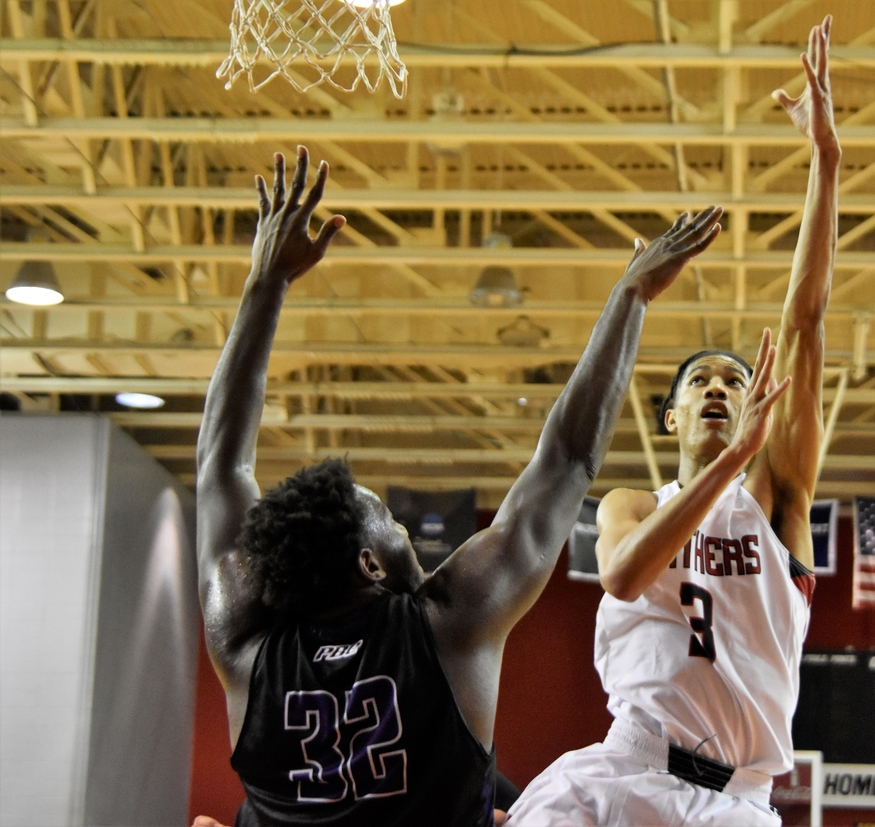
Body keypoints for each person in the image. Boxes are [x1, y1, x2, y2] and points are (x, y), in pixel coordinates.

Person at [195, 145, 724, 826]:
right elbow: (566, 461)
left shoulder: (242, 645)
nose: (408, 532)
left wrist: (263, 282)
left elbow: (219, 465)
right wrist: (631, 296)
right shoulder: (446, 625)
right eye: (390, 522)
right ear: (369, 562)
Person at [505, 16, 841, 827]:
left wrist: (826, 162)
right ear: (670, 416)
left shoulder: (781, 500)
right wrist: (726, 469)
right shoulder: (631, 503)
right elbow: (620, 574)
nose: (720, 387)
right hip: (628, 770)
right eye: (701, 381)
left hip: (736, 801)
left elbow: (804, 319)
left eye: (733, 377)